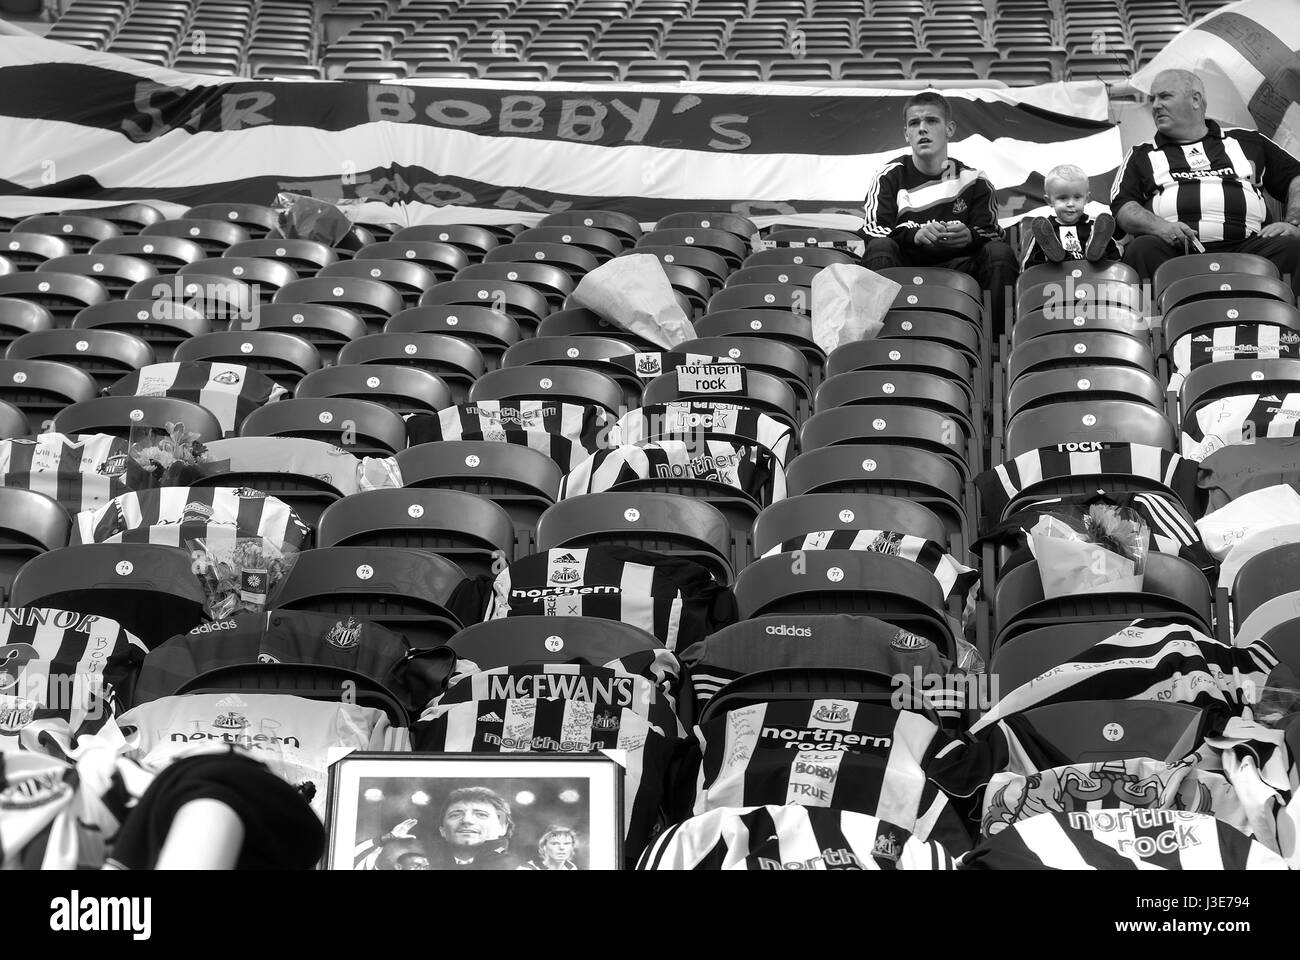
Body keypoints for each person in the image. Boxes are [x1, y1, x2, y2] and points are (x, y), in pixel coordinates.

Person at [1111, 69, 1300, 297]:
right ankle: (1152, 329)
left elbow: (1295, 177)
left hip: (1250, 247)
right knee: (1141, 250)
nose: (1155, 105)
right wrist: (1161, 228)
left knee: (1292, 246)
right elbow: (1123, 208)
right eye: (1153, 99)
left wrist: (1293, 223)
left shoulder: (1248, 141)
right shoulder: (1141, 154)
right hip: (1176, 251)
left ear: (1195, 99)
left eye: (1164, 96)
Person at [861, 90, 1019, 328]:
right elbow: (873, 231)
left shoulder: (974, 180)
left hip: (960, 267)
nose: (922, 129)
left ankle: (995, 347)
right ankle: (878, 338)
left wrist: (970, 236)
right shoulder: (888, 176)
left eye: (932, 121)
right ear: (906, 134)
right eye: (914, 123)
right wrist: (915, 236)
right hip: (906, 263)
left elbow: (993, 232)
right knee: (880, 248)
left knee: (998, 252)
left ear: (950, 129)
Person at [1020, 164, 1119, 268]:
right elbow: (1028, 267)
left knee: (1103, 255)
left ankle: (1095, 254)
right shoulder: (1043, 230)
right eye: (1063, 198)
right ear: (1049, 201)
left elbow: (1116, 259)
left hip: (1092, 277)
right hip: (1057, 279)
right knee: (1045, 260)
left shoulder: (1096, 227)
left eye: (1077, 197)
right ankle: (1056, 256)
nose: (1070, 204)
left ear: (1086, 199)